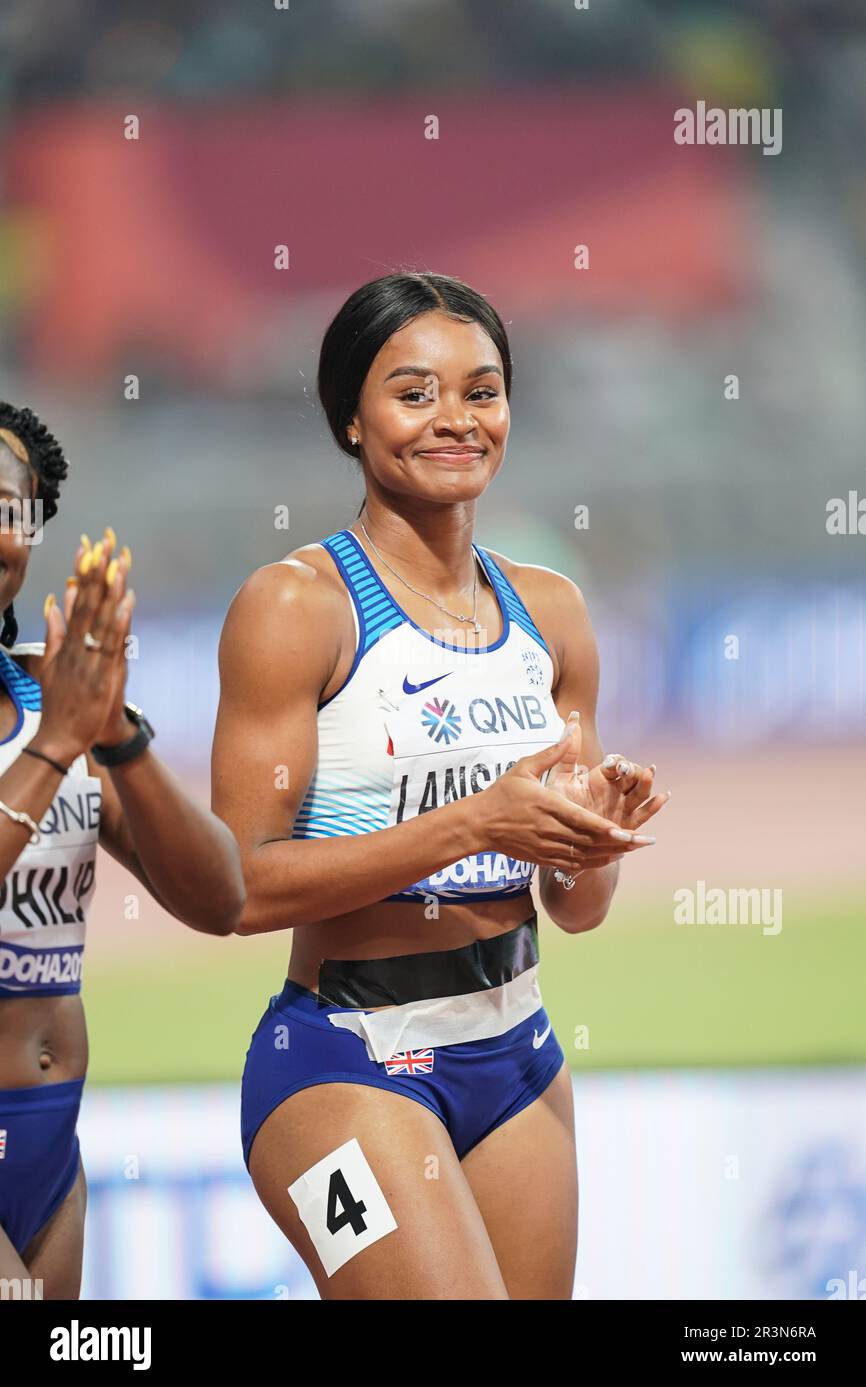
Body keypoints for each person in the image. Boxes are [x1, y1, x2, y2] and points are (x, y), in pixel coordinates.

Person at [213, 272, 669, 1300]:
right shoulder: (296, 606)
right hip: (345, 1058)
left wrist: (593, 842)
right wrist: (470, 822)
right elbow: (237, 888)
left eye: (482, 390)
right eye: (413, 392)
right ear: (348, 416)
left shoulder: (549, 609)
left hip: (517, 1051)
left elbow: (576, 910)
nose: (455, 420)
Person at [0, 402, 245, 1298]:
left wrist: (119, 737)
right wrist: (56, 747)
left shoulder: (46, 697)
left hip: (50, 1147)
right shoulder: (48, 731)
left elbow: (222, 901)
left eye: (7, 508)